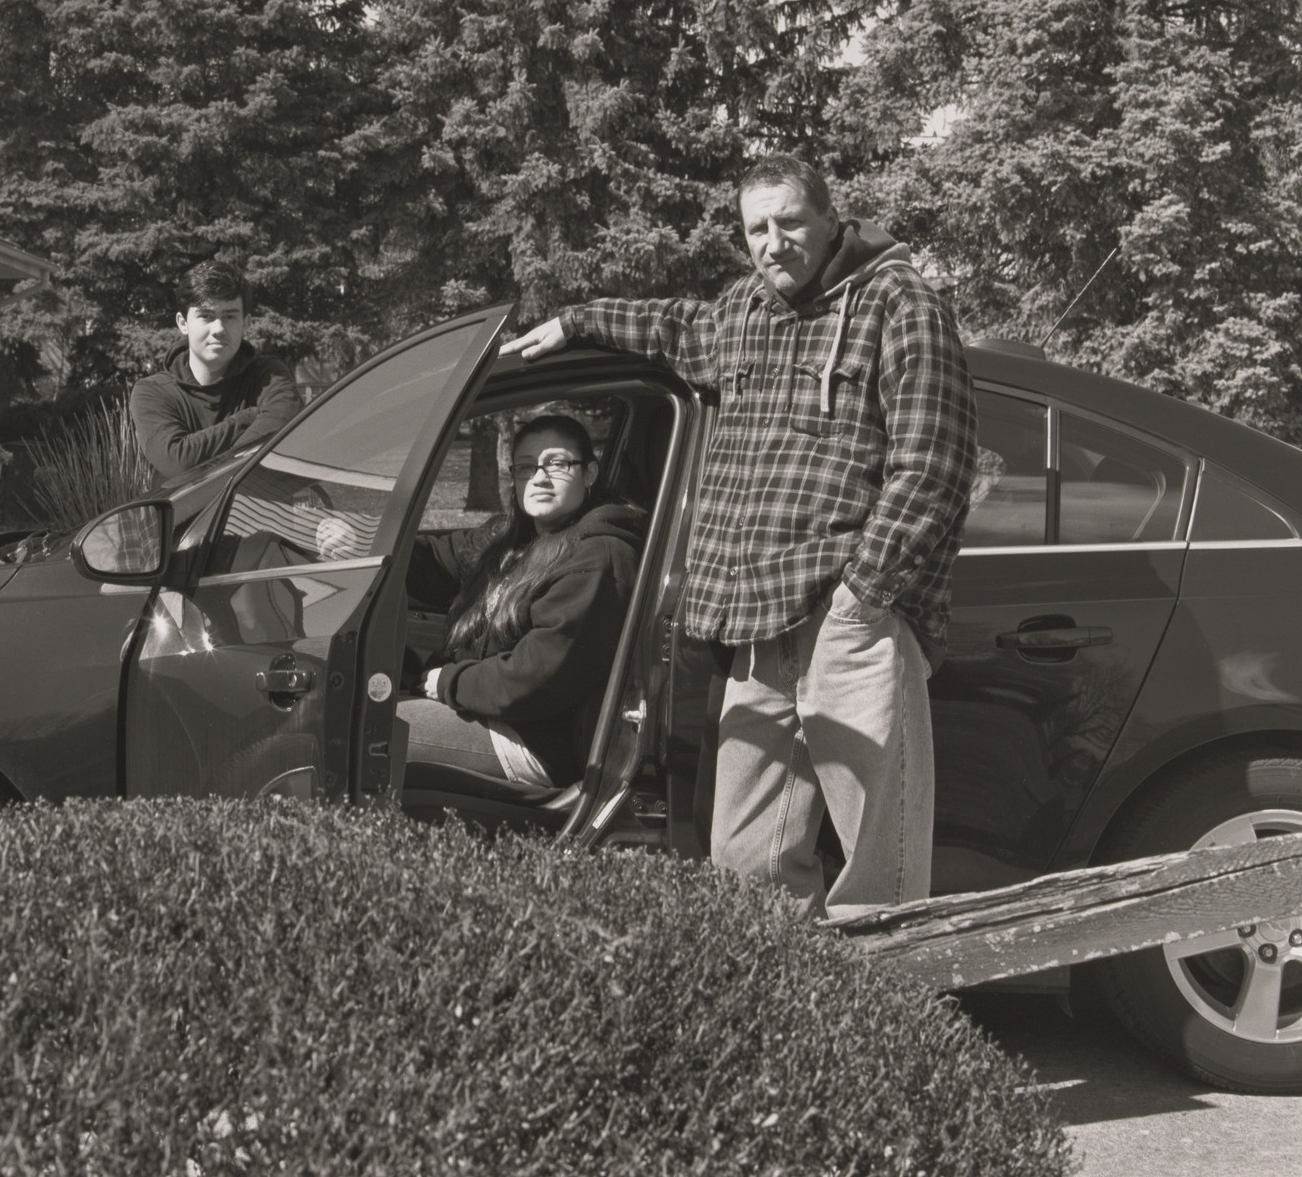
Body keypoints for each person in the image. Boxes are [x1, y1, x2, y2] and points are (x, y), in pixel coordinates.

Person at [504, 154, 977, 916]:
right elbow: (669, 325)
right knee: (744, 861)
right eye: (756, 228)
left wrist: (862, 599)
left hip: (847, 619)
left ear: (828, 220)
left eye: (789, 222)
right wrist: (575, 320)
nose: (773, 242)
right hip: (758, 623)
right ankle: (792, 1016)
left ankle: (884, 1021)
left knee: (878, 869)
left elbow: (936, 465)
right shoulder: (745, 313)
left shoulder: (899, 301)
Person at [398, 414, 646, 790]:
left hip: (531, 740)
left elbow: (537, 676)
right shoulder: (508, 541)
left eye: (557, 463)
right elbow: (435, 560)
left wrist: (448, 682)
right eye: (525, 466)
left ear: (590, 473)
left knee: (370, 736)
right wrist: (368, 543)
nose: (539, 477)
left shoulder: (599, 556)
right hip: (487, 711)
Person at [130, 261, 303, 482]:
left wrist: (203, 460)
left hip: (259, 515)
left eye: (230, 316)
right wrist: (249, 417)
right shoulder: (153, 392)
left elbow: (284, 428)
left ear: (246, 322)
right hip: (189, 518)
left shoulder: (269, 375)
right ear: (183, 323)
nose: (219, 329)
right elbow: (177, 462)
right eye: (206, 316)